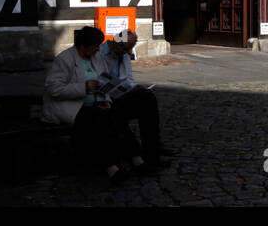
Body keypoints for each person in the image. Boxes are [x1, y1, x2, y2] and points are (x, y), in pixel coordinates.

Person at [44, 26, 145, 184]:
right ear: (83, 46)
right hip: (73, 107)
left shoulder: (96, 59)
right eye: (95, 46)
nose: (99, 50)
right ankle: (111, 167)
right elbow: (54, 89)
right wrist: (83, 87)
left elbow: (105, 83)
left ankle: (136, 158)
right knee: (97, 122)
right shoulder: (65, 59)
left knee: (116, 116)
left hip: (94, 105)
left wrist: (107, 101)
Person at [96, 30, 172, 165]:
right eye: (124, 48)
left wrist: (136, 87)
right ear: (116, 42)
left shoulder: (124, 55)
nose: (125, 52)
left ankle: (152, 149)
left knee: (148, 98)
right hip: (104, 98)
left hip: (121, 96)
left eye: (129, 49)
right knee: (136, 104)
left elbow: (128, 79)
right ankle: (143, 153)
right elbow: (98, 79)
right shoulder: (99, 53)